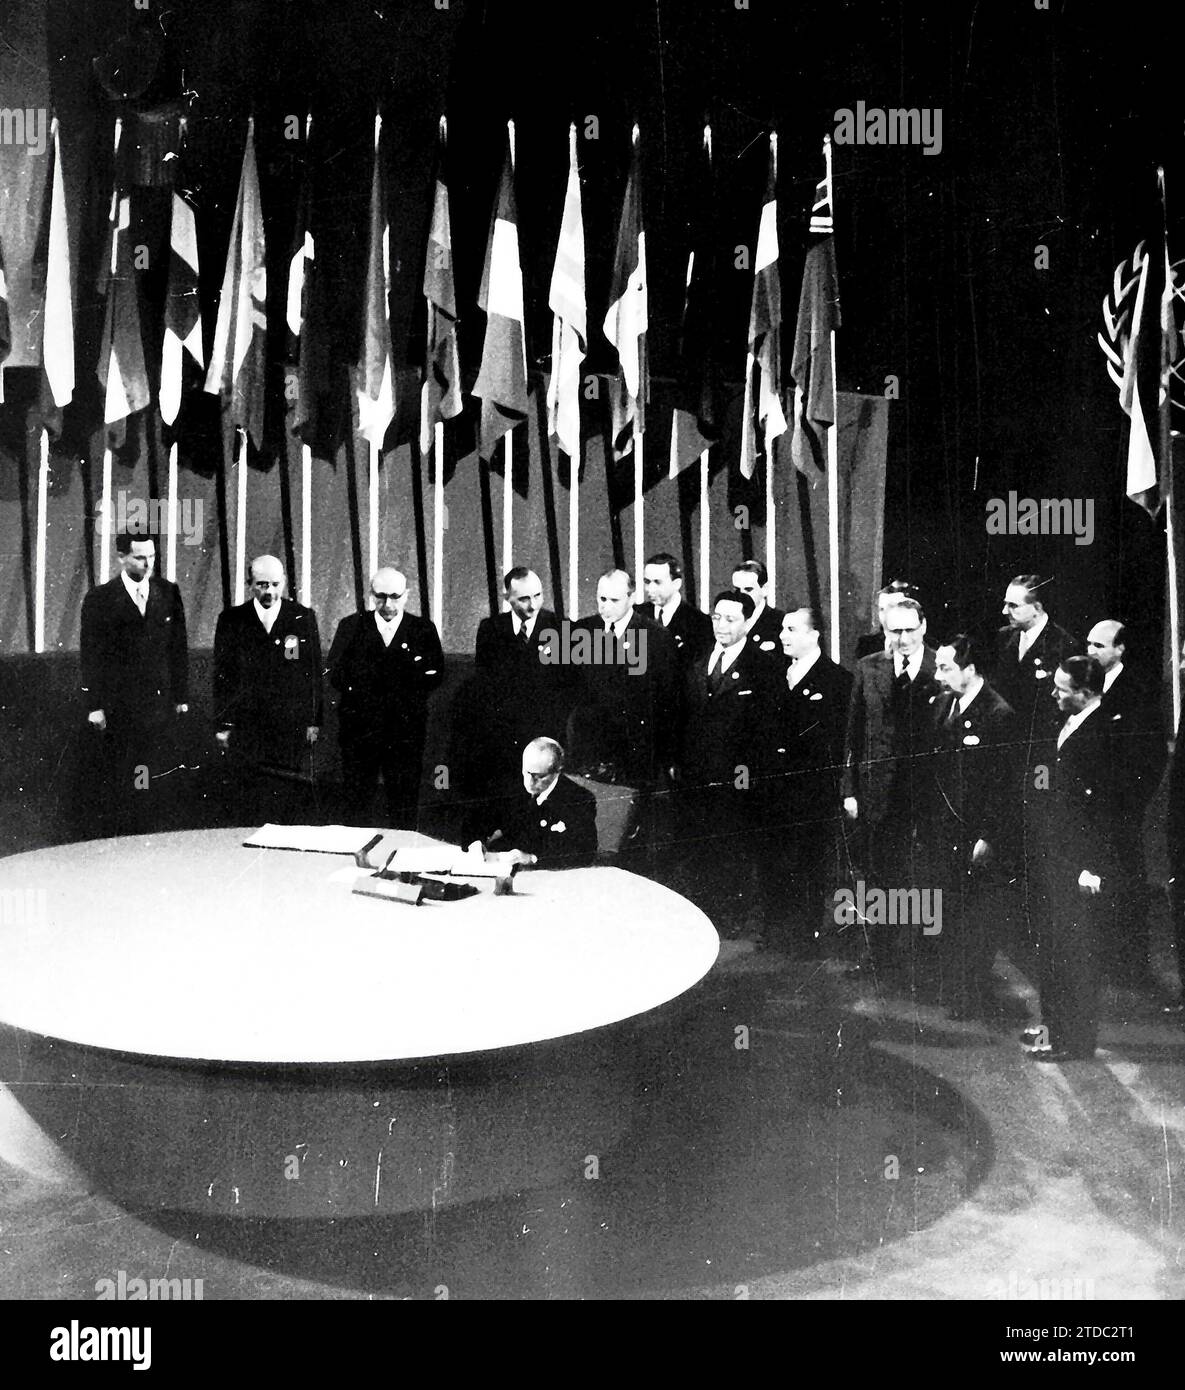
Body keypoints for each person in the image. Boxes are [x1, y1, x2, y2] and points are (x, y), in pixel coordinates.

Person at [1024, 656, 1125, 1061]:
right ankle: (1055, 1029)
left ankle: (1075, 1042)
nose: (1053, 693)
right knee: (1052, 950)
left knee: (1077, 956)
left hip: (1080, 864)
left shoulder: (1105, 736)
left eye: (1062, 689)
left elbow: (1110, 811)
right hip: (1054, 856)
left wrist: (1094, 868)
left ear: (1084, 694)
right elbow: (1045, 775)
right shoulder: (1059, 724)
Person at [841, 597, 940, 970]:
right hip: (878, 790)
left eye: (909, 630)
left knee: (926, 876)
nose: (902, 638)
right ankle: (879, 957)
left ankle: (927, 962)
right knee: (879, 875)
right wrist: (849, 790)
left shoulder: (941, 667)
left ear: (924, 627)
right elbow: (853, 733)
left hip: (927, 791)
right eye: (894, 631)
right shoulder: (869, 668)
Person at [678, 588, 781, 938]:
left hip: (738, 775)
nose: (721, 626)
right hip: (696, 774)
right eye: (717, 618)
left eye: (731, 619)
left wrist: (746, 778)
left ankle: (730, 917)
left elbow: (765, 730)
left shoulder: (763, 667)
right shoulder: (697, 657)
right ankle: (699, 915)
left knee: (732, 846)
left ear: (748, 622)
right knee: (699, 844)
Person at [924, 634, 1018, 1016]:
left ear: (971, 670)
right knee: (948, 910)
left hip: (976, 834)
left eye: (946, 668)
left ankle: (972, 995)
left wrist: (989, 836)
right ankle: (955, 990)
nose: (939, 674)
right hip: (943, 829)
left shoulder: (998, 714)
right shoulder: (944, 704)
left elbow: (1004, 786)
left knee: (975, 918)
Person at [79, 533, 189, 835]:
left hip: (159, 707)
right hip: (120, 709)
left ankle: (152, 830)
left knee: (154, 771)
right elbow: (91, 656)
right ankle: (128, 832)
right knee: (126, 773)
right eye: (140, 557)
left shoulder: (168, 592)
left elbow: (178, 648)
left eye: (152, 556)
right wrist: (95, 707)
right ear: (121, 557)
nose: (148, 563)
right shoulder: (100, 599)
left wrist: (181, 696)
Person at [762, 606, 853, 955]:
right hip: (776, 788)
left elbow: (832, 738)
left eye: (792, 629)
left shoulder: (836, 680)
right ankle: (778, 932)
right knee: (776, 860)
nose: (783, 635)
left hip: (812, 790)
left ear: (814, 635)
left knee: (809, 862)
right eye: (783, 628)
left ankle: (807, 935)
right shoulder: (775, 674)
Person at [326, 567, 444, 828]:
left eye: (394, 596)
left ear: (406, 595)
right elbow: (334, 674)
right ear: (371, 595)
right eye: (380, 596)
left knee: (403, 799)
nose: (387, 604)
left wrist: (382, 683)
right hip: (360, 731)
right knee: (357, 800)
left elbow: (436, 675)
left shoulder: (423, 629)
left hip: (405, 731)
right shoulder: (351, 625)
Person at [213, 555, 323, 823]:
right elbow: (223, 676)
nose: (269, 592)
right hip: (246, 726)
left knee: (286, 796)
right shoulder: (231, 619)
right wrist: (223, 724)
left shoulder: (302, 618)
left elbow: (312, 674)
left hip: (289, 725)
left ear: (284, 583)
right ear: (250, 584)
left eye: (275, 584)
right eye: (262, 585)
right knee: (247, 794)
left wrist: (314, 720)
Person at [1088, 619, 1166, 988]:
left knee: (1127, 887)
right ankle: (1100, 959)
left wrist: (1130, 802)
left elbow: (1148, 757)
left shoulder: (1137, 691)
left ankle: (1133, 967)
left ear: (1119, 649)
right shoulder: (1083, 682)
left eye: (1099, 646)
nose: (1091, 651)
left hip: (1122, 808)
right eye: (1089, 644)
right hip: (1092, 805)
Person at [567, 567, 675, 786]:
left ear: (631, 598)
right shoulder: (582, 632)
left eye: (614, 600)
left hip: (635, 753)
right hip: (590, 750)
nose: (606, 607)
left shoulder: (656, 637)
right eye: (602, 599)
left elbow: (667, 700)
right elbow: (572, 690)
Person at [470, 566, 571, 793]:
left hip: (545, 733)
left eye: (538, 596)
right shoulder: (490, 629)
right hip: (503, 736)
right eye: (524, 599)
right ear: (507, 597)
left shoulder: (561, 628)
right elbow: (484, 685)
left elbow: (568, 687)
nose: (533, 605)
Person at [467, 737, 598, 867]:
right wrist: (477, 843)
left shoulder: (579, 799)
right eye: (526, 772)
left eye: (539, 776)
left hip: (549, 874)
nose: (530, 782)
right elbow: (479, 819)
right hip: (502, 868)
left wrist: (532, 858)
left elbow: (584, 853)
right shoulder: (511, 787)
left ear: (558, 770)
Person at [994, 574, 1077, 739]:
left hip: (1038, 738)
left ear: (1037, 608)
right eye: (1005, 604)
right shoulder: (1004, 637)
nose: (1004, 611)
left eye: (1013, 605)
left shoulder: (1064, 645)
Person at [637, 551, 713, 671]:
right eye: (647, 582)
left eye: (657, 582)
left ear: (677, 583)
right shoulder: (635, 614)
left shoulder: (699, 622)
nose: (650, 589)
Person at [730, 560, 785, 658]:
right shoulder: (726, 622)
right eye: (737, 590)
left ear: (764, 589)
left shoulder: (780, 623)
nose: (741, 595)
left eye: (748, 589)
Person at [854, 579, 919, 661]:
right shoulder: (866, 645)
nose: (886, 616)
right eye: (882, 609)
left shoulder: (926, 646)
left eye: (891, 609)